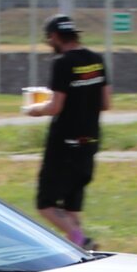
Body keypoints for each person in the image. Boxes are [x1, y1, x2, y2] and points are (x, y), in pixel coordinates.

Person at [25, 14, 110, 249]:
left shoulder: (63, 63)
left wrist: (34, 109)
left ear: (54, 36)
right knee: (71, 206)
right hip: (90, 140)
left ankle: (83, 242)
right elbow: (106, 103)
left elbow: (55, 107)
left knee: (46, 204)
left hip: (64, 143)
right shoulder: (96, 59)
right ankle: (80, 251)